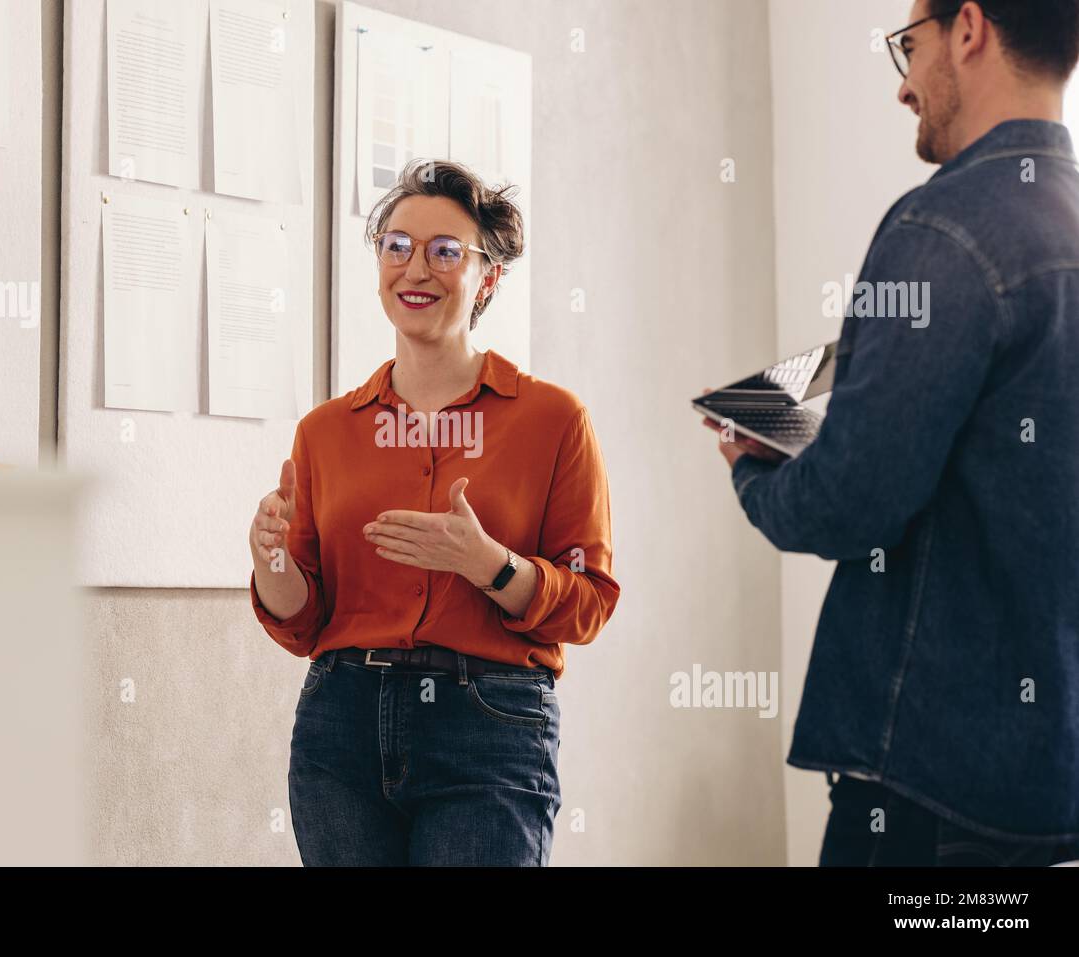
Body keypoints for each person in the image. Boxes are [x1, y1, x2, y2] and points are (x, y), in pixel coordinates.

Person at [705, 0, 1079, 866]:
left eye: (907, 47)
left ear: (970, 28)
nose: (904, 88)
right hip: (1049, 786)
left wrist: (752, 466)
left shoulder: (939, 229)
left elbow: (849, 501)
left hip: (932, 795)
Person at [248, 159, 619, 866]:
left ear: (487, 277)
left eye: (446, 251)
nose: (416, 268)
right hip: (341, 725)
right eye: (397, 245)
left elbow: (590, 604)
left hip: (489, 724)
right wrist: (270, 558)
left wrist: (491, 566)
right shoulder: (324, 431)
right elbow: (302, 621)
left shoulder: (553, 419)